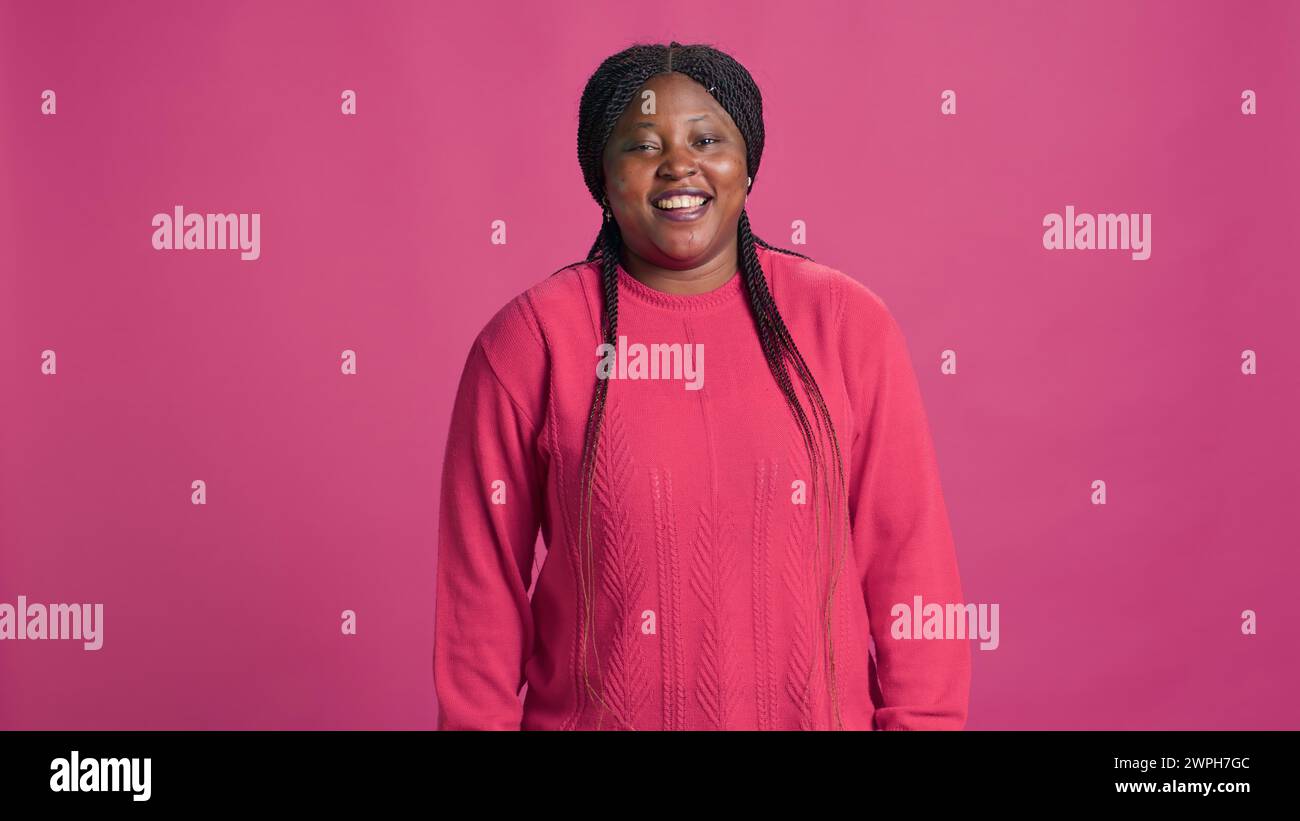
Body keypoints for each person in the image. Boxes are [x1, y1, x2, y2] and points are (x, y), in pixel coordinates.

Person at [433, 40, 970, 730]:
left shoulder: (845, 324)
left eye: (708, 138)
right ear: (601, 174)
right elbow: (480, 602)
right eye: (641, 145)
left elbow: (913, 568)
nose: (678, 165)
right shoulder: (530, 341)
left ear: (748, 166)